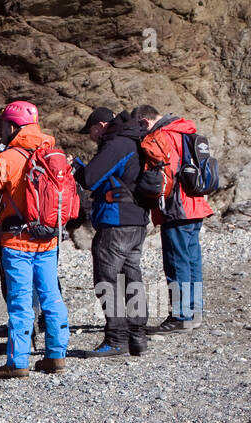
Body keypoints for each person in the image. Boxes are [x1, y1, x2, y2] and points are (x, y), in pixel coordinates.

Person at [0, 100, 70, 378]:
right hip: (48, 238)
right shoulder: (54, 153)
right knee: (51, 296)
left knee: (20, 301)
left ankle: (17, 362)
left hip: (17, 240)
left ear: (12, 126)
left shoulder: (5, 159)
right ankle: (56, 355)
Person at [131, 104, 214, 333]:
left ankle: (180, 316)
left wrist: (152, 197)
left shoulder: (160, 136)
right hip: (197, 203)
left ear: (145, 121)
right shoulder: (186, 131)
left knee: (176, 263)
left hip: (176, 207)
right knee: (192, 260)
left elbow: (163, 170)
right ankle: (194, 312)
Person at [75, 107, 151, 356]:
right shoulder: (135, 140)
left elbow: (89, 178)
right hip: (138, 219)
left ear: (101, 125)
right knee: (132, 278)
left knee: (106, 280)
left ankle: (116, 339)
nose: (91, 136)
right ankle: (137, 337)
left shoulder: (117, 144)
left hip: (117, 221)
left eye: (92, 130)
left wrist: (75, 167)